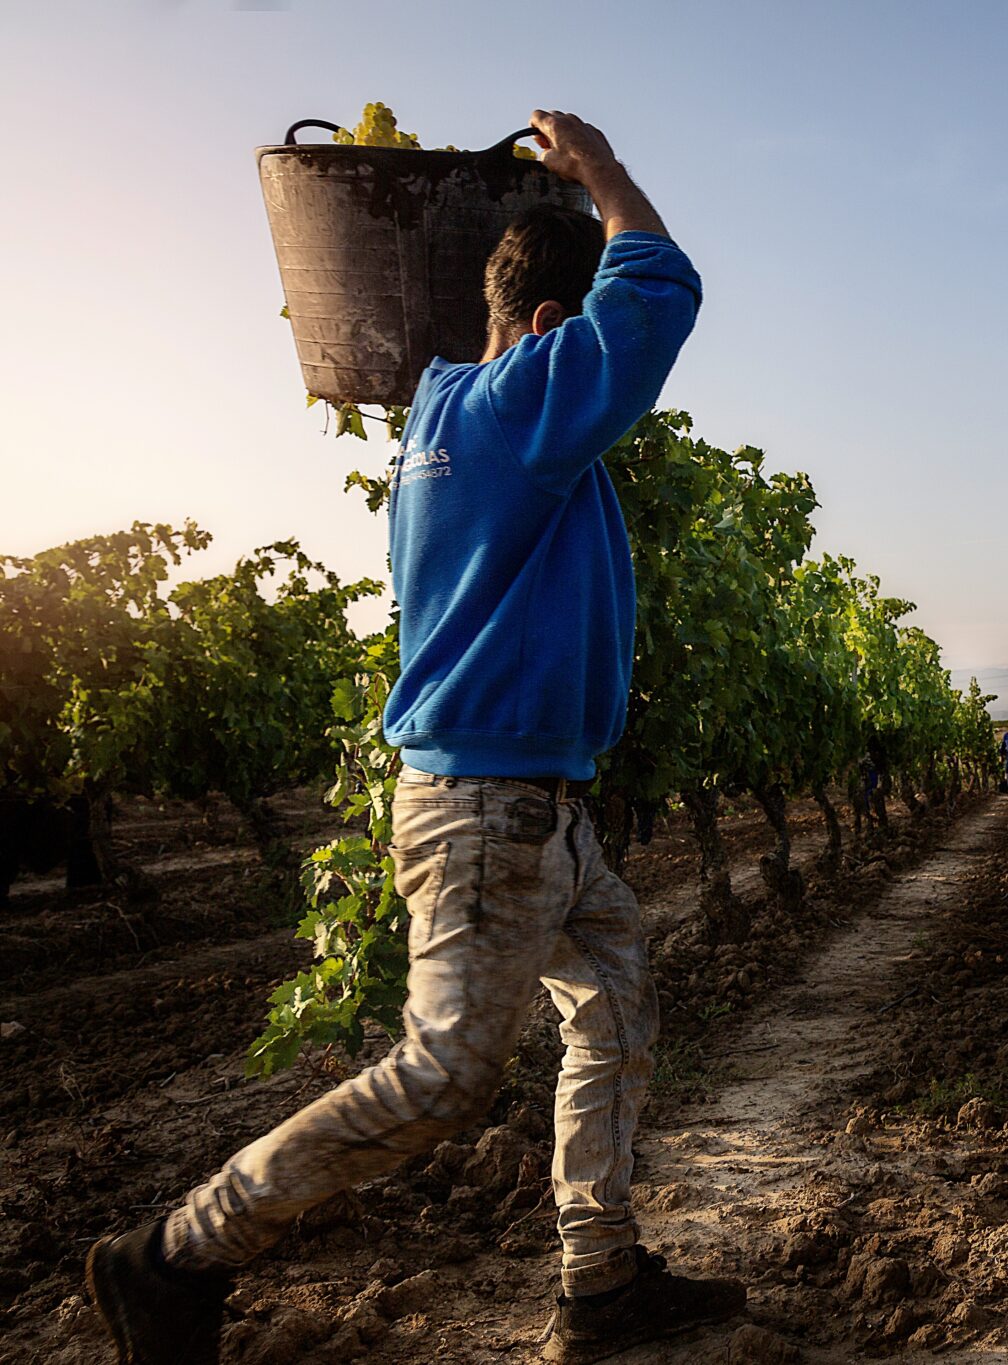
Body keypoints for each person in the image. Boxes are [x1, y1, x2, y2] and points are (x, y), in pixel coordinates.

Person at [86, 111, 743, 1365]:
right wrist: (599, 173)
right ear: (550, 333)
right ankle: (174, 1254)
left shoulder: (440, 406)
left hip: (536, 810)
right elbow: (658, 289)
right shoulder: (513, 412)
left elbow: (488, 333)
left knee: (615, 1001)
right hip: (491, 812)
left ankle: (600, 1281)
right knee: (444, 1078)